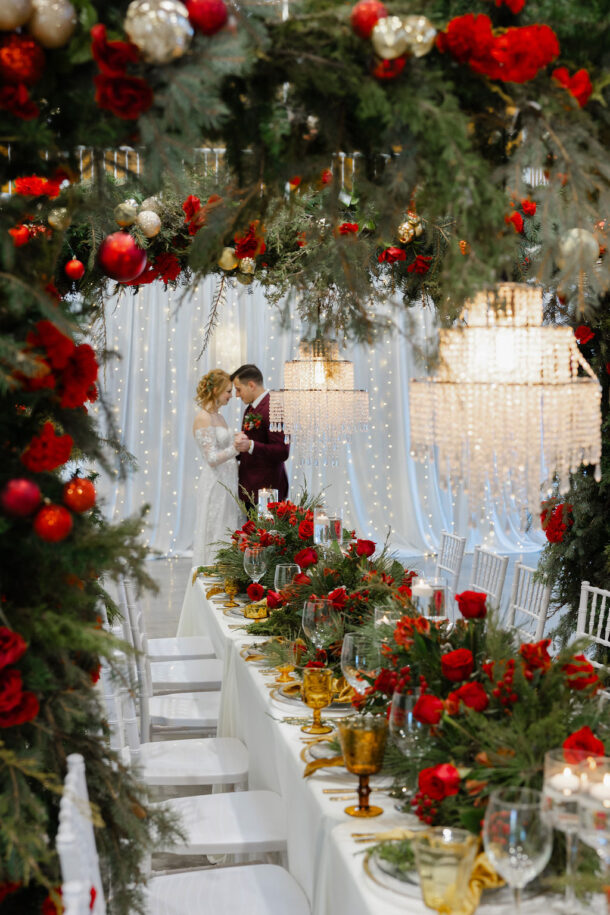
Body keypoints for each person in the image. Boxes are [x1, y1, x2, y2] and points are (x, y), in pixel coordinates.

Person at [191, 369, 240, 566]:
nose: (231, 395)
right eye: (228, 391)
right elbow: (211, 458)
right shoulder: (203, 417)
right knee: (216, 527)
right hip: (216, 482)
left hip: (229, 480)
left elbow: (224, 446)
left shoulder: (218, 416)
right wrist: (235, 448)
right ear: (216, 390)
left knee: (228, 525)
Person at [231, 363, 290, 511]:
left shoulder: (274, 407)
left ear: (251, 385)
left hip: (267, 491)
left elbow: (282, 451)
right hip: (249, 489)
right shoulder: (250, 409)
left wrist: (251, 445)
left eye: (238, 389)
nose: (237, 395)